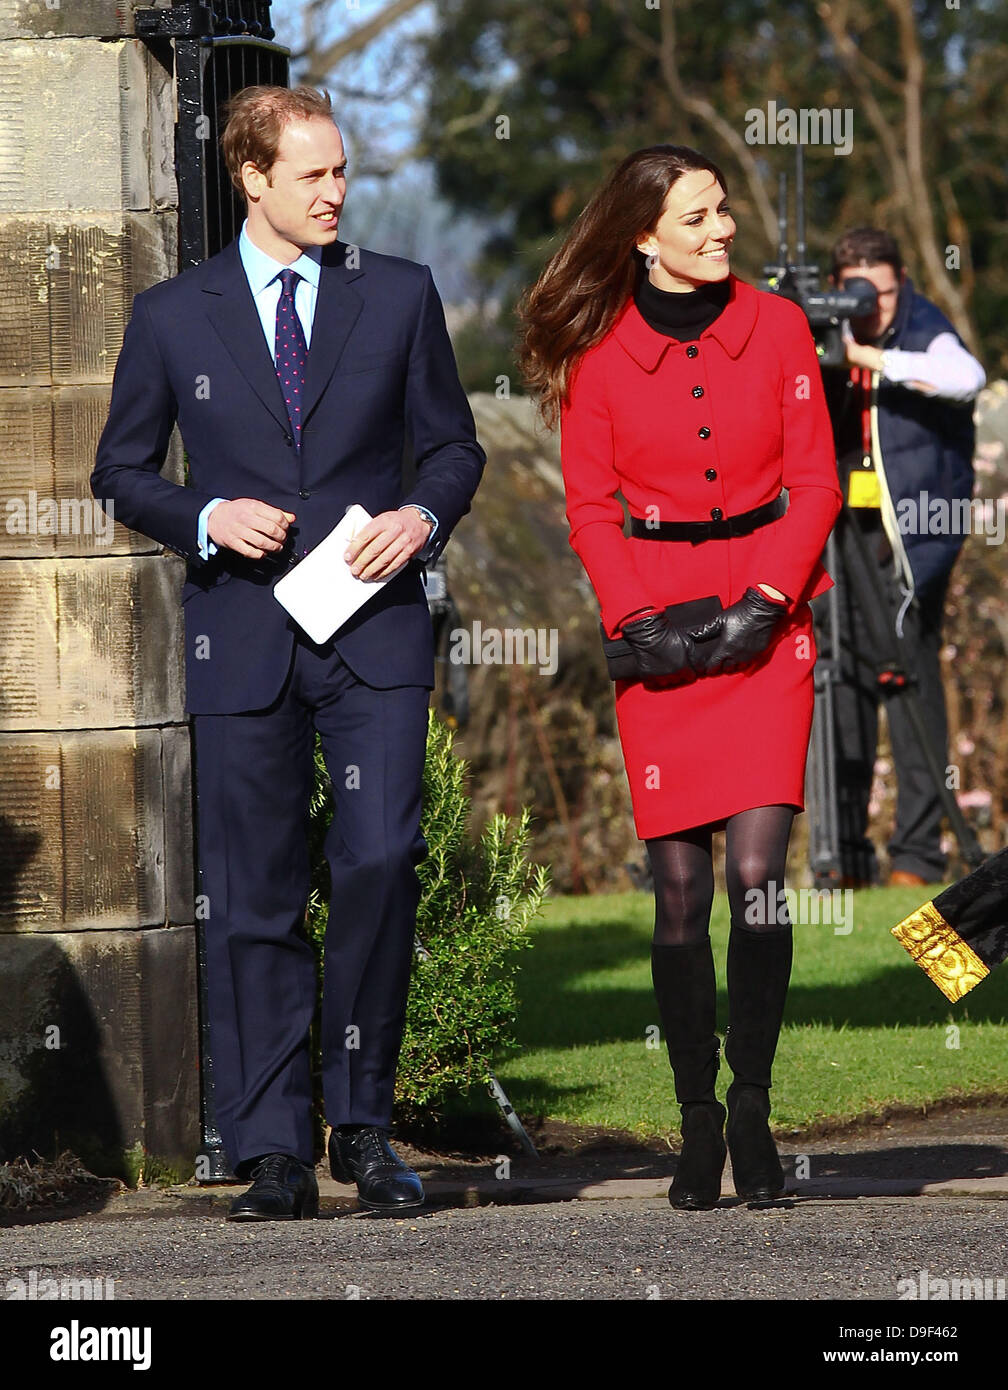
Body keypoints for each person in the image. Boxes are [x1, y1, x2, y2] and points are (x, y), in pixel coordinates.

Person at [91, 86, 485, 1219]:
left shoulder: (399, 295)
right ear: (251, 178)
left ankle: (364, 1131)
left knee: (377, 860)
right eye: (313, 174)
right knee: (253, 892)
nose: (336, 193)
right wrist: (207, 518)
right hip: (243, 635)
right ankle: (271, 1148)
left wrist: (423, 519)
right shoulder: (174, 314)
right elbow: (119, 473)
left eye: (343, 172)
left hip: (375, 634)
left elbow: (454, 448)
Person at [518, 146, 842, 1209]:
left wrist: (769, 600)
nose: (723, 229)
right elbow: (590, 507)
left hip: (768, 614)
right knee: (680, 889)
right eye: (699, 215)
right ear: (643, 237)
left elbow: (814, 480)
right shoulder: (598, 356)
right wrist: (636, 620)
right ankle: (694, 1115)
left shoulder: (782, 327)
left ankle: (751, 1103)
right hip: (660, 628)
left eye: (724, 210)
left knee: (755, 874)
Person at [820, 228, 985, 889]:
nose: (872, 304)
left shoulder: (920, 324)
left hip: (908, 544)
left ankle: (916, 860)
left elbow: (967, 377)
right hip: (834, 536)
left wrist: (870, 356)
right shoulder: (818, 330)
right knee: (843, 689)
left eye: (882, 292)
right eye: (856, 292)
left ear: (903, 283)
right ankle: (846, 856)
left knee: (911, 686)